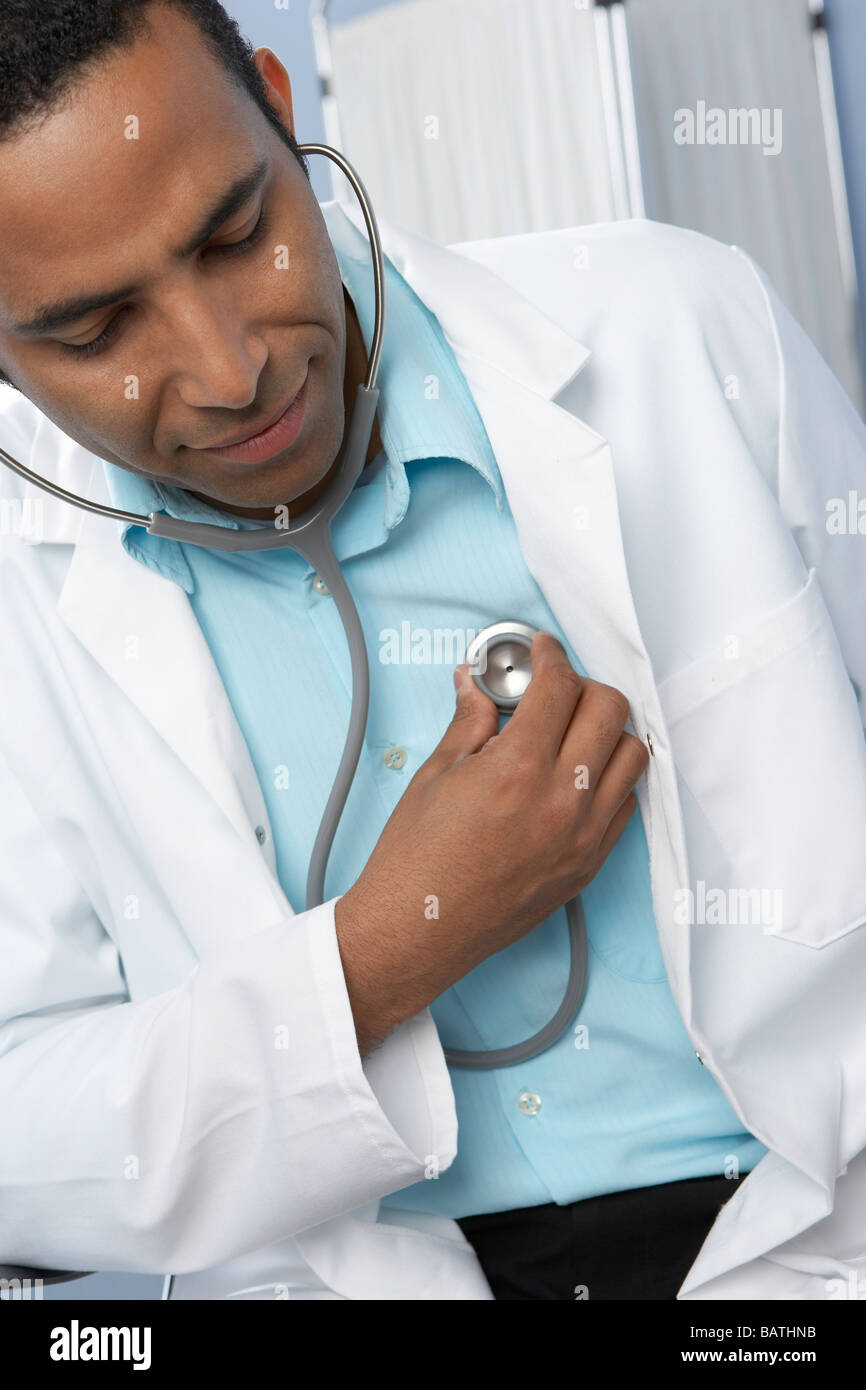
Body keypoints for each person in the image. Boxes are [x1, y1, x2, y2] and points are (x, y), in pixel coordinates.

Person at [0, 0, 865, 1302]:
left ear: (284, 113)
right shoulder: (25, 617)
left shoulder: (674, 326)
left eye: (239, 235)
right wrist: (389, 946)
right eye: (93, 330)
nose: (229, 369)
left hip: (803, 1238)